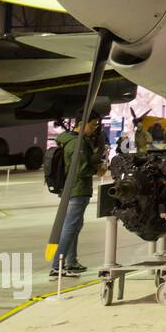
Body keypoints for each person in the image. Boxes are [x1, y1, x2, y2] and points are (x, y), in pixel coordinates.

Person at [50, 119, 105, 278]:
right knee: (69, 227)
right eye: (92, 125)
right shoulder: (77, 143)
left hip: (74, 189)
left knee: (74, 226)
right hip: (77, 189)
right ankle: (57, 266)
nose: (94, 129)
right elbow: (80, 170)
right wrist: (97, 171)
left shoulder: (72, 140)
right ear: (82, 123)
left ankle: (71, 262)